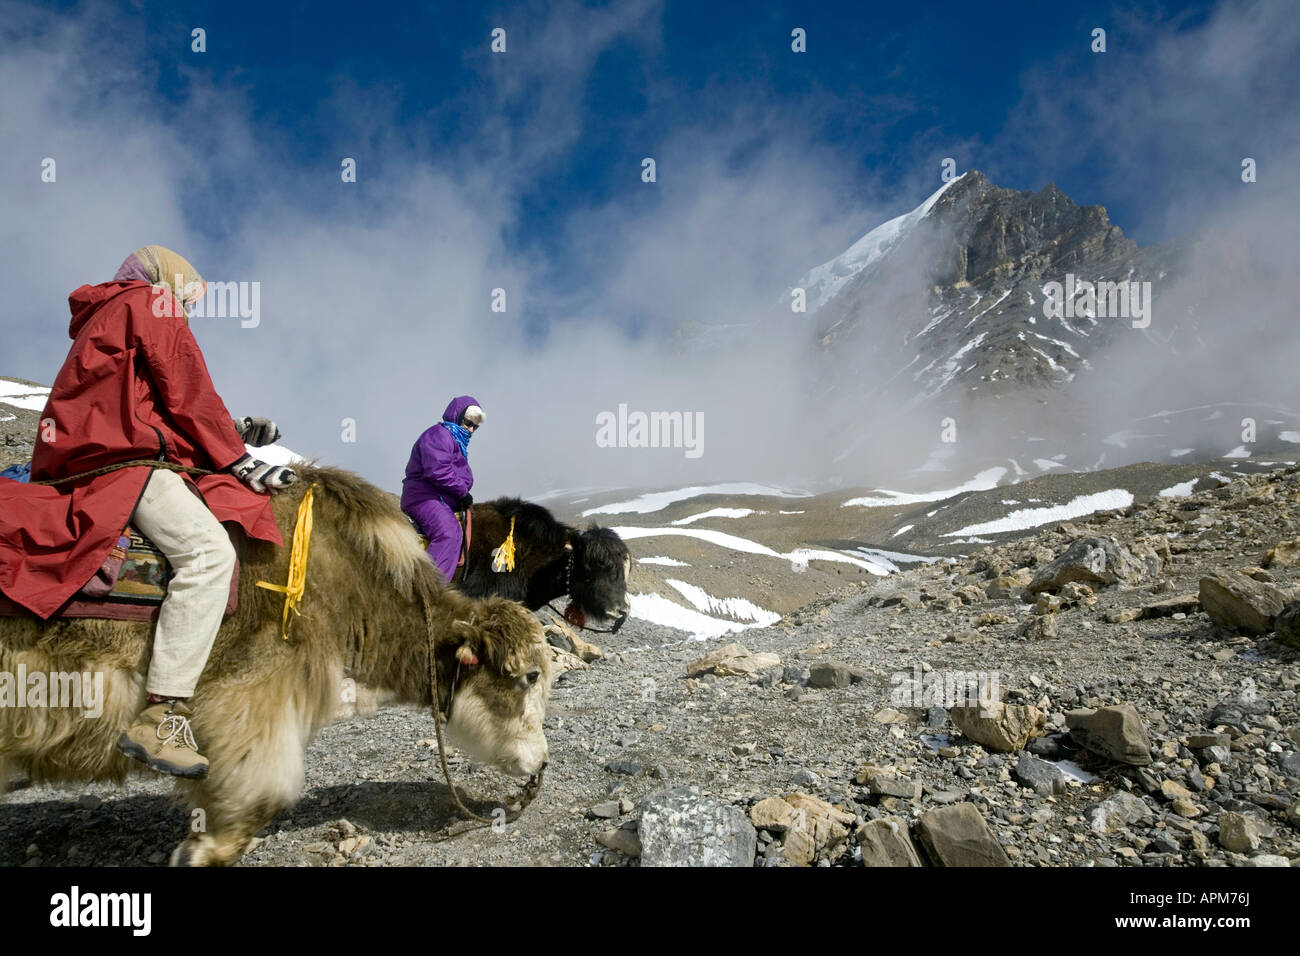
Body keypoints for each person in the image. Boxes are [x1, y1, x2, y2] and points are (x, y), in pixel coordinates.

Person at [0, 245, 295, 778]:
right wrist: (237, 458)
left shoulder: (108, 310)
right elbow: (185, 388)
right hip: (125, 467)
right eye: (188, 297)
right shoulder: (152, 301)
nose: (185, 310)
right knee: (208, 554)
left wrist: (234, 427)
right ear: (171, 281)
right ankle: (163, 714)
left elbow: (148, 401)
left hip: (84, 465)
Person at [401, 396, 485, 580]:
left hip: (437, 499)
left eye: (475, 427)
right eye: (468, 423)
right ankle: (430, 589)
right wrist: (462, 493)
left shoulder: (454, 441)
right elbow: (438, 469)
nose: (470, 429)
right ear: (457, 416)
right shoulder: (439, 435)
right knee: (449, 533)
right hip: (424, 497)